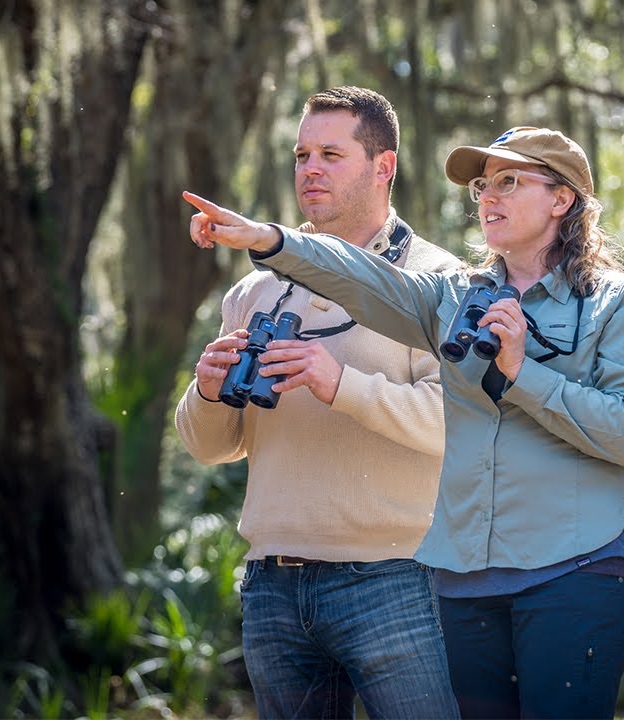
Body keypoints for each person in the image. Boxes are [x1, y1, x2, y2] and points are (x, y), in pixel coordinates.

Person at [184, 125, 624, 719]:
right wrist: (269, 239)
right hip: (465, 581)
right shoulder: (449, 296)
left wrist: (523, 374)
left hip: (578, 568)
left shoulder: (618, 300)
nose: (488, 196)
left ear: (561, 199)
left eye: (508, 182)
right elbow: (359, 278)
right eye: (482, 186)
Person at [174, 86, 461, 719]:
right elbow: (211, 445)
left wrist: (341, 386)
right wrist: (207, 391)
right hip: (272, 585)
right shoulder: (253, 290)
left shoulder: (440, 281)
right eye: (302, 153)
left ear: (382, 167)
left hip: (395, 579)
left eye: (331, 153)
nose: (310, 168)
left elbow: (458, 421)